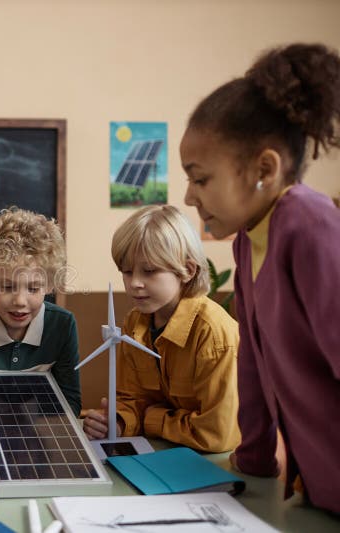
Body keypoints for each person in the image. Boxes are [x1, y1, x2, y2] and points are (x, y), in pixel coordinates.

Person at [180, 43, 340, 514]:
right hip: (318, 491)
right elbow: (252, 362)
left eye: (200, 179)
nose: (189, 196)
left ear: (264, 170)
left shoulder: (310, 227)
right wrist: (253, 458)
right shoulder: (247, 242)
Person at [83, 205, 240, 453]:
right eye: (127, 272)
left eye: (149, 271)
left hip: (214, 460)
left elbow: (216, 434)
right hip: (163, 449)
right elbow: (132, 399)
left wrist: (151, 418)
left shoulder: (213, 334)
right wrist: (118, 423)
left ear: (187, 271)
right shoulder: (135, 323)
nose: (135, 283)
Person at [0, 208, 81, 415]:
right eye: (7, 287)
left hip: (41, 429)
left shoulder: (62, 325)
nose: (20, 301)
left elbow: (69, 403)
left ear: (49, 285)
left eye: (33, 288)